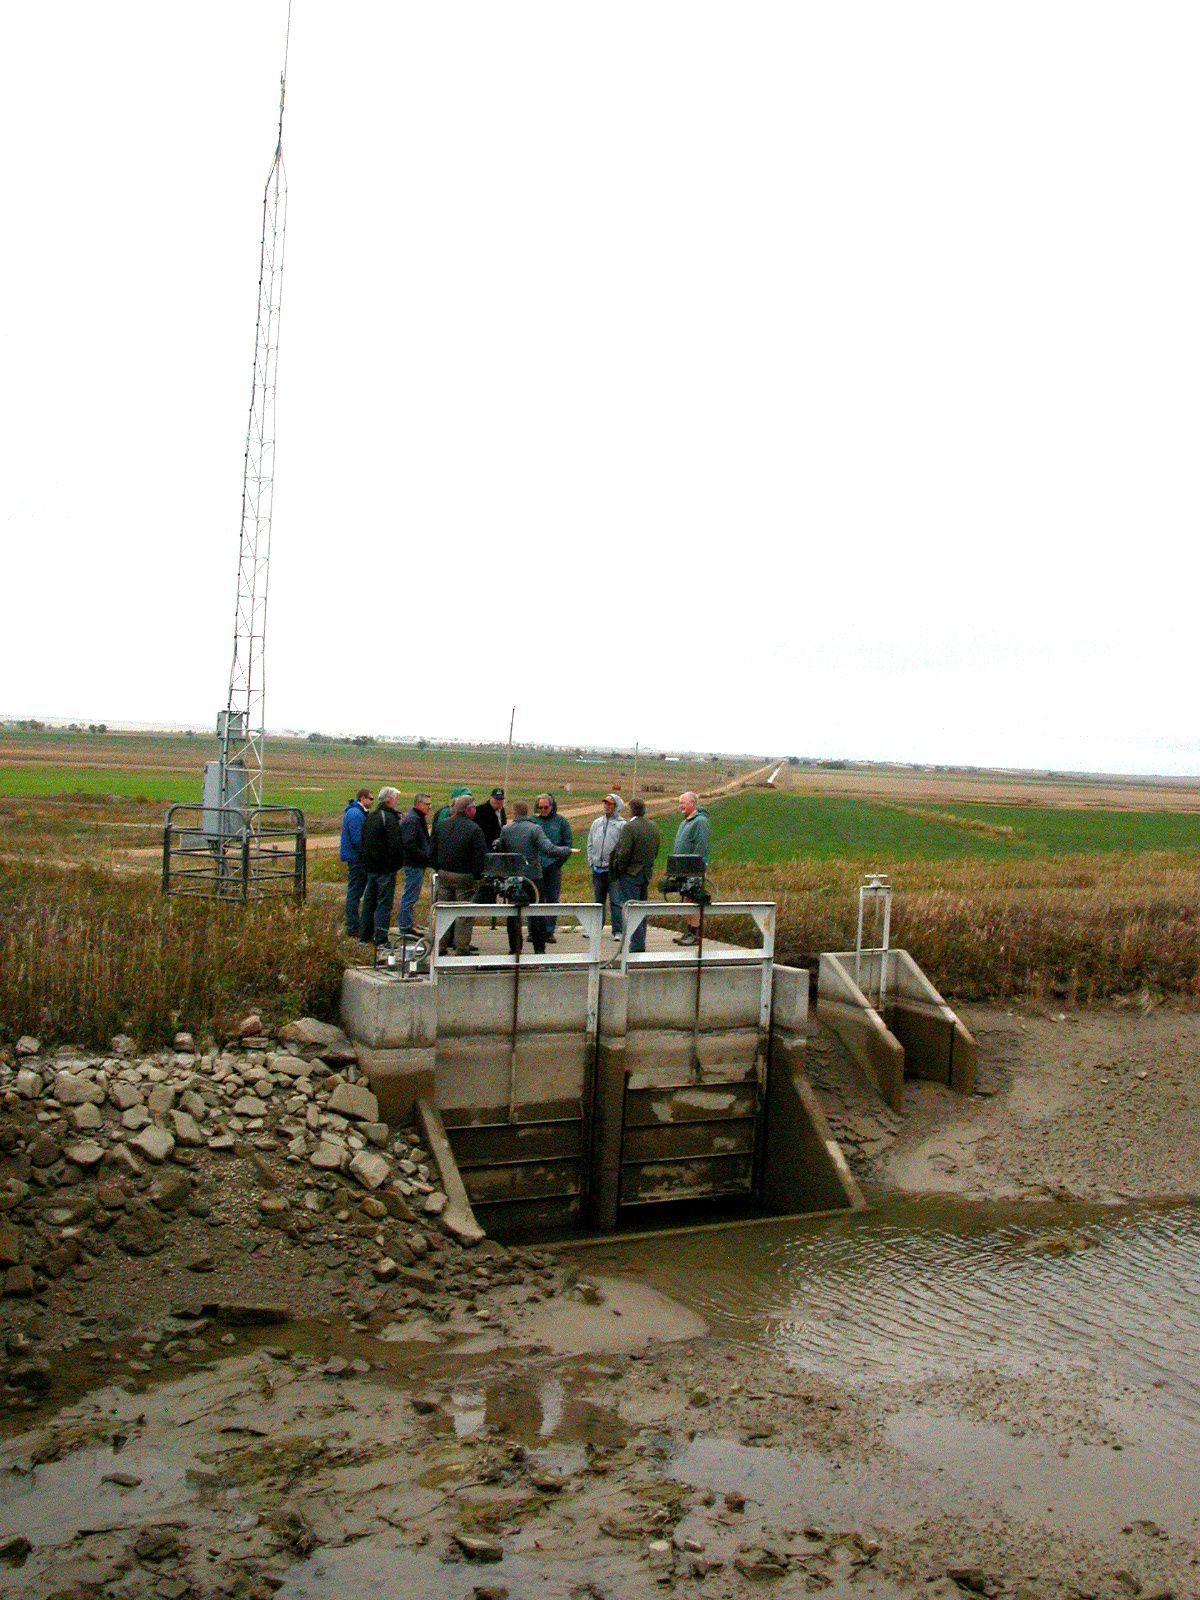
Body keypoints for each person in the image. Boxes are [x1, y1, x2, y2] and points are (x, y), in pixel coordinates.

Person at [498, 801, 571, 955]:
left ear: (515, 812)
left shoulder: (506, 829)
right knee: (536, 912)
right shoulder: (534, 829)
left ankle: (515, 948)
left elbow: (502, 850)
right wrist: (566, 850)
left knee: (513, 914)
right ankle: (539, 949)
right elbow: (548, 849)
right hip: (533, 877)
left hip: (514, 878)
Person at [431, 793, 487, 955]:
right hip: (465, 877)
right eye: (473, 807)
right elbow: (479, 857)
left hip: (444, 875)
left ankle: (440, 947)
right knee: (463, 913)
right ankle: (461, 948)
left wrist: (438, 869)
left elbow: (432, 851)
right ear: (468, 810)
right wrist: (476, 876)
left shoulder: (441, 825)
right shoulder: (474, 829)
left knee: (443, 911)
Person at [610, 797, 660, 952]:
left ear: (631, 810)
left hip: (630, 874)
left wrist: (620, 869)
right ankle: (640, 941)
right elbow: (656, 849)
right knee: (642, 909)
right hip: (645, 873)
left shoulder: (629, 827)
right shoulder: (653, 826)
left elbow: (624, 852)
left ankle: (636, 944)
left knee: (631, 908)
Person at [359, 788, 405, 946]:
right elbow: (395, 845)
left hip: (371, 868)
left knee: (369, 903)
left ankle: (364, 937)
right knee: (383, 904)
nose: (397, 801)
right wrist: (397, 864)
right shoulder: (389, 819)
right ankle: (381, 939)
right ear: (389, 800)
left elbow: (364, 841)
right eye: (395, 798)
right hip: (385, 869)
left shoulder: (371, 816)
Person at [673, 790, 711, 945]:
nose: (680, 805)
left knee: (693, 900)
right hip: (682, 869)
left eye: (683, 802)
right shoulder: (686, 822)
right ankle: (688, 932)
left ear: (693, 804)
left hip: (693, 869)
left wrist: (695, 868)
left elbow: (701, 846)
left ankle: (694, 934)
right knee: (686, 900)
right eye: (680, 802)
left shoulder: (700, 821)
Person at [533, 793, 572, 942]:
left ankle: (549, 932)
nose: (543, 810)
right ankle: (534, 931)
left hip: (553, 867)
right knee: (535, 899)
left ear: (551, 806)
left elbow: (567, 845)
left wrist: (558, 863)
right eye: (540, 807)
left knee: (552, 899)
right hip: (536, 867)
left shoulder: (561, 822)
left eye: (546, 807)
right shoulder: (533, 821)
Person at [586, 793, 626, 933]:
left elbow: (624, 847)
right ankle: (596, 929)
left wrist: (617, 865)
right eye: (605, 804)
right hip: (597, 869)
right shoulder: (596, 823)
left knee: (616, 902)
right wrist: (591, 861)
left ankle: (618, 930)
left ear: (617, 806)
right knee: (598, 902)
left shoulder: (622, 825)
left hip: (613, 871)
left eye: (610, 804)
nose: (607, 807)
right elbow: (590, 843)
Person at [339, 787, 373, 937]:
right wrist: (366, 853)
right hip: (356, 859)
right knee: (354, 893)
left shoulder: (357, 813)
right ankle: (352, 926)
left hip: (357, 858)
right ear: (362, 798)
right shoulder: (355, 814)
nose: (372, 802)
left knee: (356, 892)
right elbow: (357, 839)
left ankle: (354, 924)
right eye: (370, 799)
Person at [397, 793, 432, 935]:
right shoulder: (413, 819)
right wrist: (423, 855)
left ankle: (408, 923)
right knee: (410, 895)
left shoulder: (418, 818)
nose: (429, 807)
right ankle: (405, 926)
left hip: (417, 863)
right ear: (418, 804)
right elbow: (408, 843)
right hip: (414, 864)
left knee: (412, 895)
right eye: (427, 804)